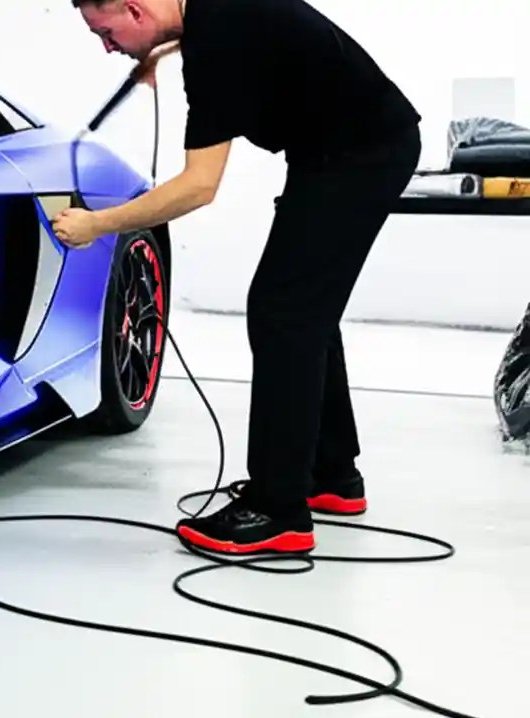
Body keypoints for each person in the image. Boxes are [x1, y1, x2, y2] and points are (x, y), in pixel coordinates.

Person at [53, 0, 421, 555]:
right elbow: (249, 32)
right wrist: (159, 49)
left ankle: (279, 511)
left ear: (133, 8)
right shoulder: (213, 16)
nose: (107, 47)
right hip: (345, 146)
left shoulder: (216, 46)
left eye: (106, 33)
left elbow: (198, 187)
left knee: (283, 313)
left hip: (359, 154)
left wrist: (97, 225)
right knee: (305, 309)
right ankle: (332, 477)